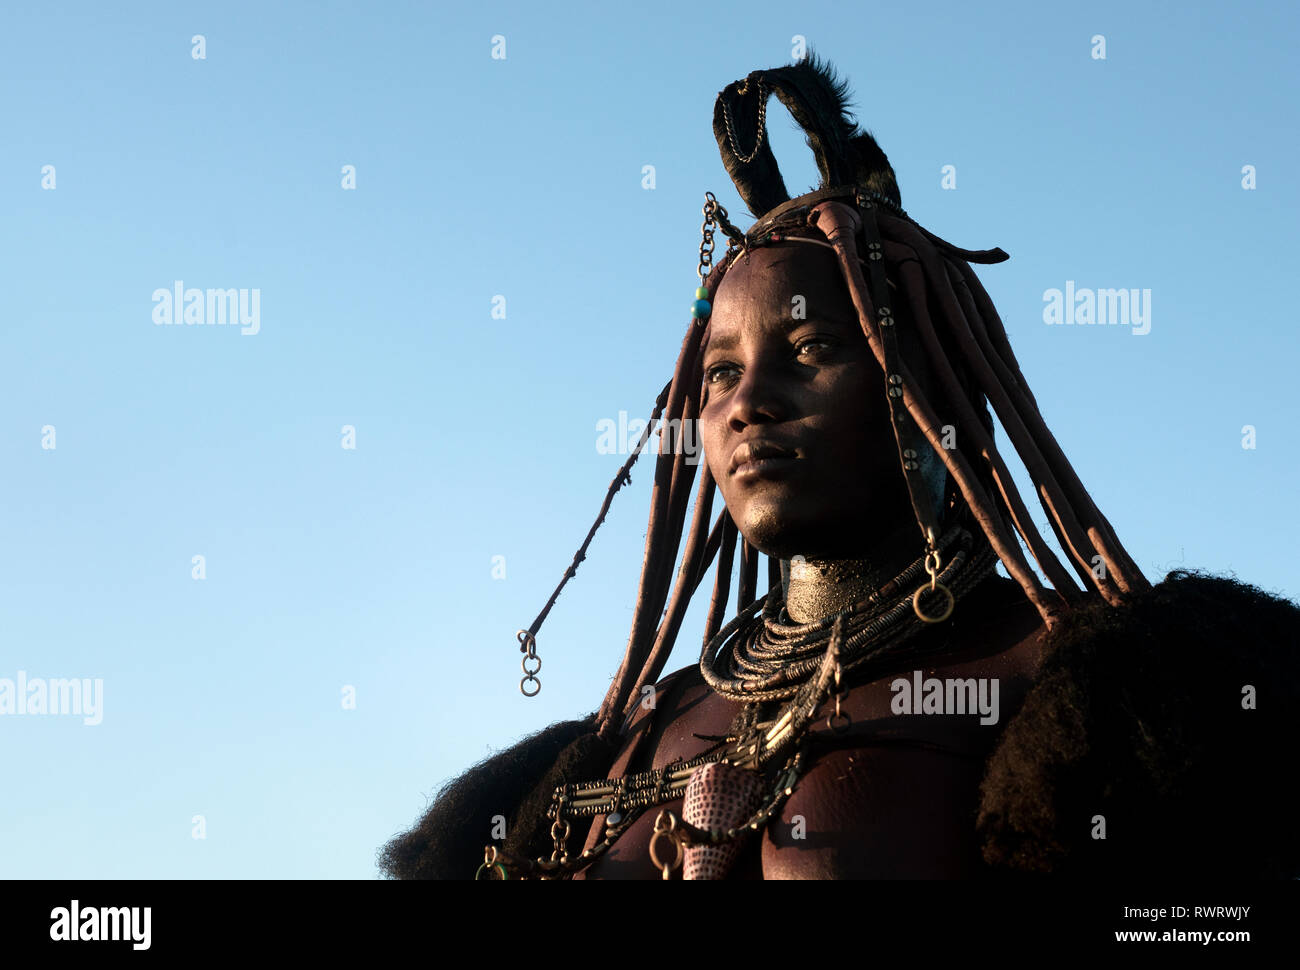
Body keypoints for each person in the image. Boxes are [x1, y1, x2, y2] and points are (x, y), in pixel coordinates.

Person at [378, 52, 1300, 880]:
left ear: (923, 388)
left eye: (812, 347)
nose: (748, 403)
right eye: (722, 373)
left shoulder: (1095, 690)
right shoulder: (622, 742)